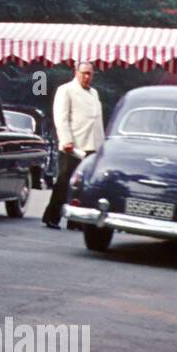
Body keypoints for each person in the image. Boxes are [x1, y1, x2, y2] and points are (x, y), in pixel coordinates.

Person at [42, 61, 105, 229]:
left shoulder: (94, 93)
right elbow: (61, 117)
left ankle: (75, 220)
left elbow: (96, 120)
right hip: (73, 146)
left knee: (83, 187)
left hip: (91, 145)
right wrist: (66, 139)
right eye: (83, 73)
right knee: (64, 182)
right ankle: (52, 216)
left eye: (89, 74)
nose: (86, 77)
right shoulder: (66, 90)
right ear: (76, 72)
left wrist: (101, 145)